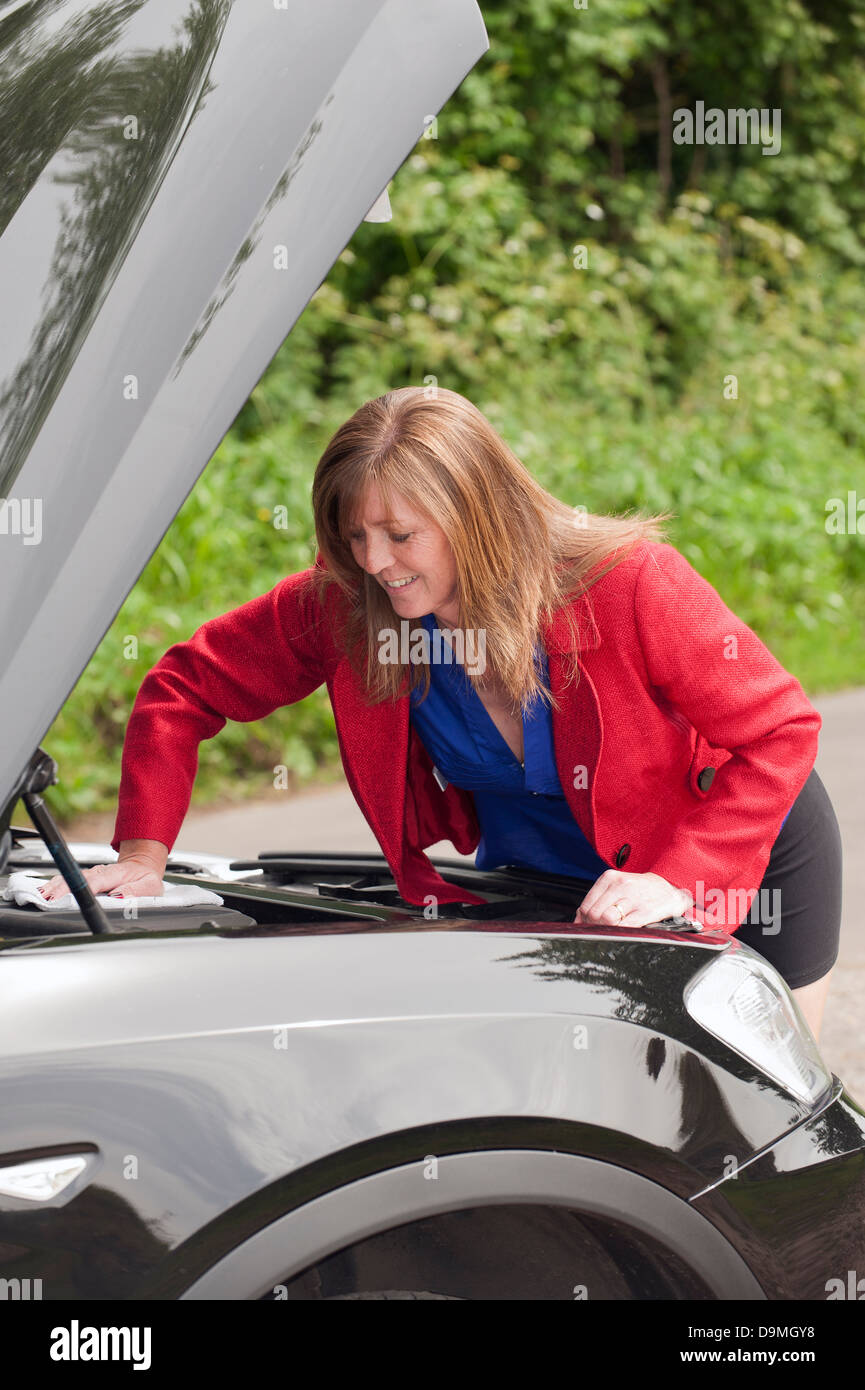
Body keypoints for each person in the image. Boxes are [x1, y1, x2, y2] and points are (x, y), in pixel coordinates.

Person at [40, 387, 841, 1040]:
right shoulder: (347, 605)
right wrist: (143, 857)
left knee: (763, 1093)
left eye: (400, 534)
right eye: (353, 535)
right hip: (549, 879)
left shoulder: (627, 584)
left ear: (476, 514)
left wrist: (678, 878)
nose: (373, 562)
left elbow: (780, 731)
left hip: (739, 848)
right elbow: (183, 687)